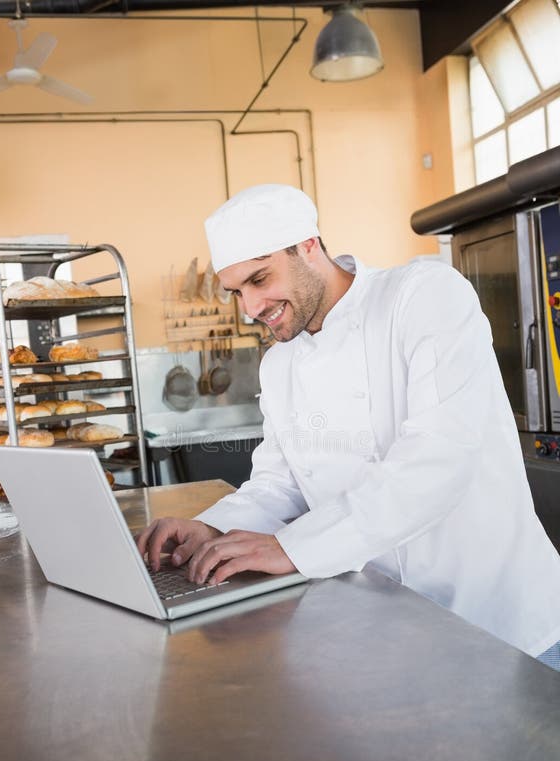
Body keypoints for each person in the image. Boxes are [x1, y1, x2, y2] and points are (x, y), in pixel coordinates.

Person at [137, 183, 560, 669]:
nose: (249, 308)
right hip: (387, 629)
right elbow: (281, 483)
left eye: (259, 279)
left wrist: (293, 548)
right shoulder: (280, 365)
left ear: (308, 246)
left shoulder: (422, 297)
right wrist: (210, 526)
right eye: (237, 291)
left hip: (504, 624)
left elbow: (437, 461)